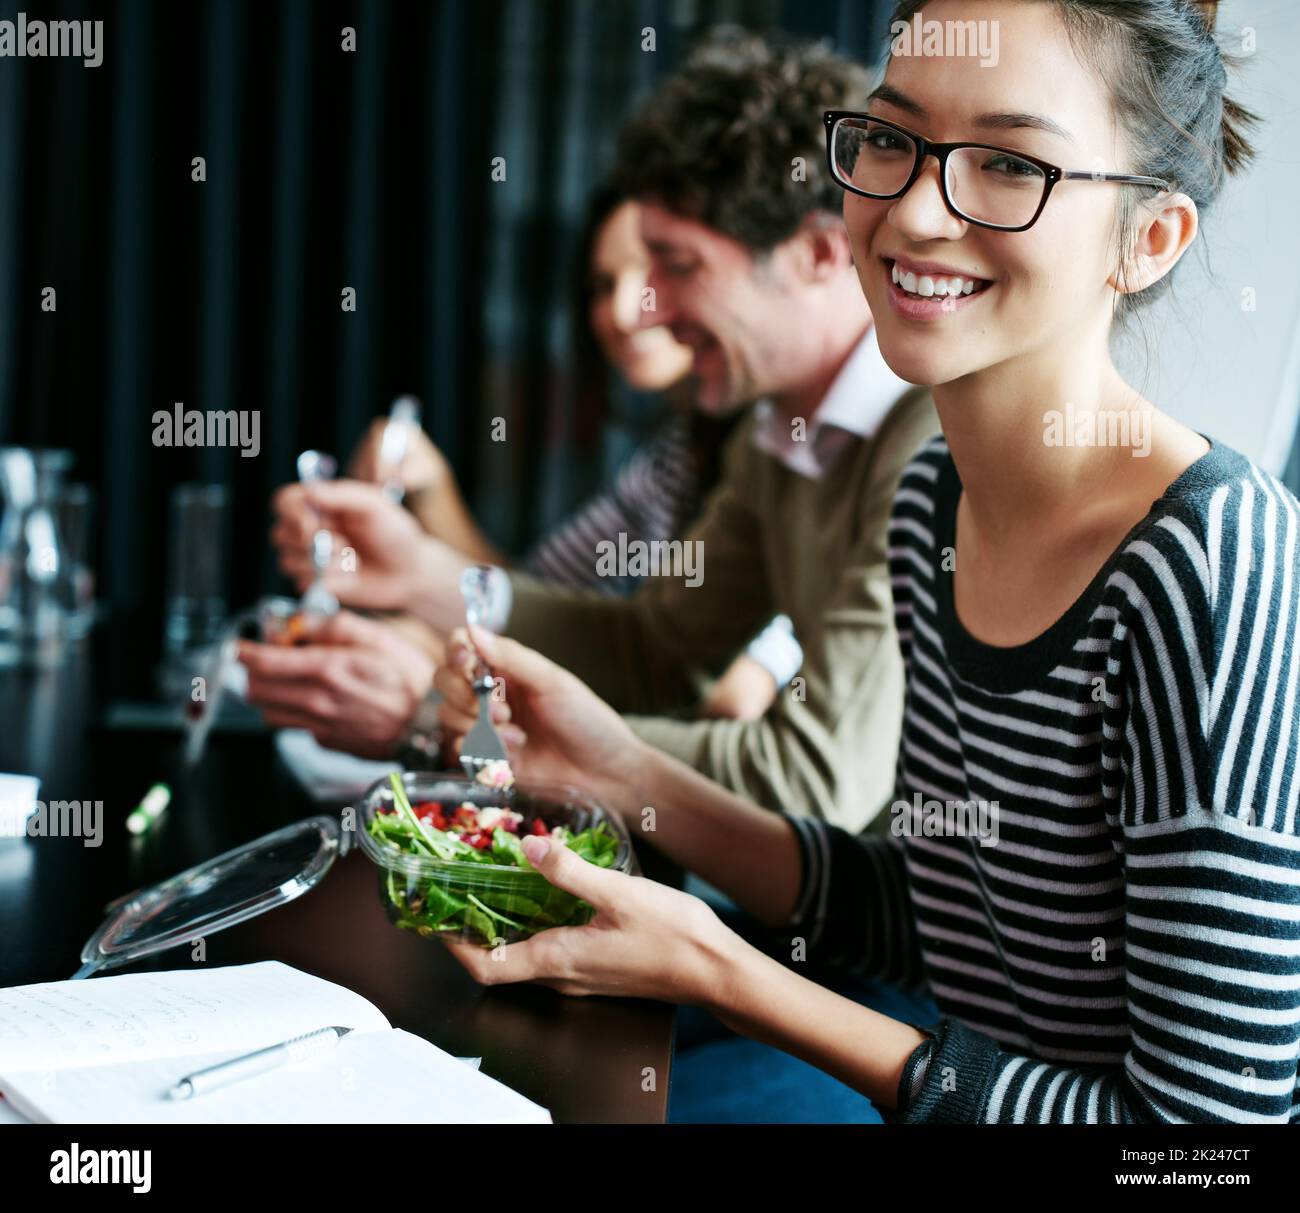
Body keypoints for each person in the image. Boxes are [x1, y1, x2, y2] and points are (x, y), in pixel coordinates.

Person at [430, 0, 1300, 1123]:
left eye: (1008, 163)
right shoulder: (935, 502)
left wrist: (721, 971)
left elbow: (1202, 1145)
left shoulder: (1208, 561)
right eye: (892, 139)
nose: (915, 212)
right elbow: (938, 917)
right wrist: (623, 774)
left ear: (1151, 239)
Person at [266, 30, 941, 834]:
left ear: (819, 254)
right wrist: (419, 572)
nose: (647, 309)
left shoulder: (924, 440)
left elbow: (813, 781)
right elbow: (653, 651)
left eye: (677, 266)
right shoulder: (779, 431)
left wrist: (464, 727)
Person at [241, 187, 800, 757]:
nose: (626, 310)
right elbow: (545, 600)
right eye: (602, 285)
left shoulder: (783, 449)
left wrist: (432, 716)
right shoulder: (670, 459)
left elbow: (719, 705)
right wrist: (425, 538)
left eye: (665, 269)